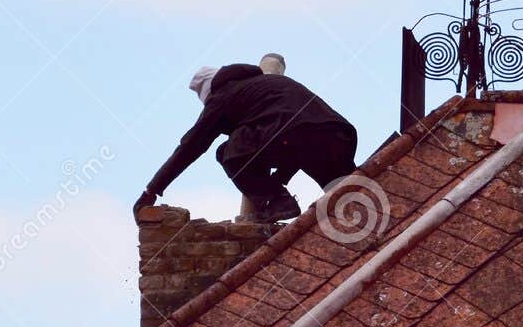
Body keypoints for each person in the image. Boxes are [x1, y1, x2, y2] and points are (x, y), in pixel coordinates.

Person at [133, 59, 358, 223]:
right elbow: (300, 129)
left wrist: (152, 190)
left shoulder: (222, 97)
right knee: (352, 201)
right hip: (338, 136)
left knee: (228, 152)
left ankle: (278, 202)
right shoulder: (263, 87)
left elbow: (190, 147)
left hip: (295, 137)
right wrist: (280, 178)